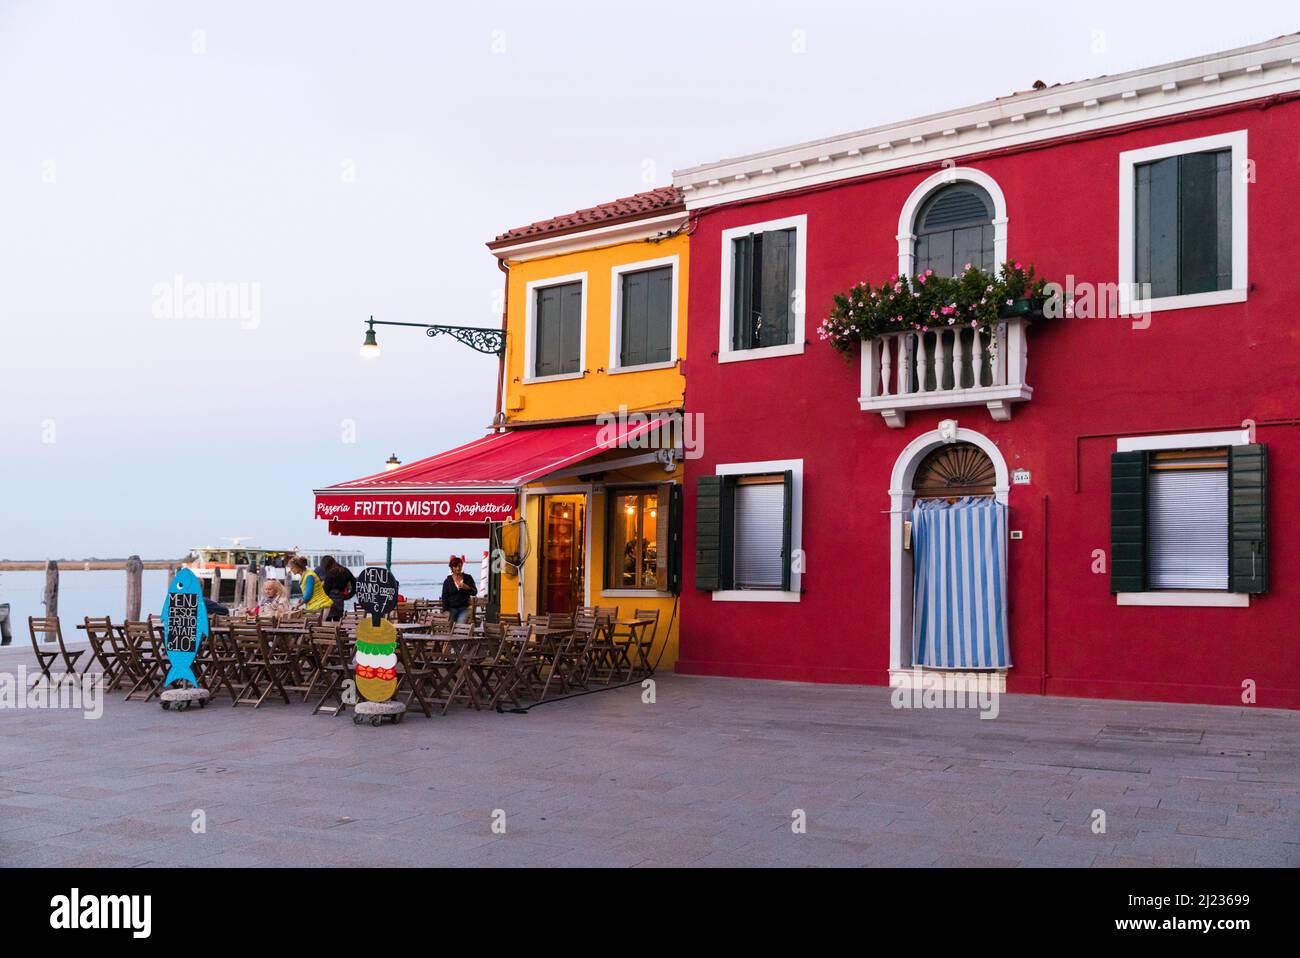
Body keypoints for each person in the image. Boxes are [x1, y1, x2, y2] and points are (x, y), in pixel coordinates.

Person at [440, 555, 475, 624]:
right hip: (451, 609)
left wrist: (467, 587)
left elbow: (474, 592)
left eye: (460, 566)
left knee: (460, 626)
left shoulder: (468, 578)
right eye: (455, 566)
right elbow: (444, 597)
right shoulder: (447, 581)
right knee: (450, 629)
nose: (458, 568)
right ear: (452, 568)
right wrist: (445, 610)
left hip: (464, 609)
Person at [321, 555, 356, 622]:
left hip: (329, 601)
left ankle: (329, 632)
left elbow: (326, 591)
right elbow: (355, 584)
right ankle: (339, 632)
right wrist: (349, 596)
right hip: (340, 599)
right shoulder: (345, 570)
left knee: (327, 621)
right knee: (338, 621)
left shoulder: (329, 573)